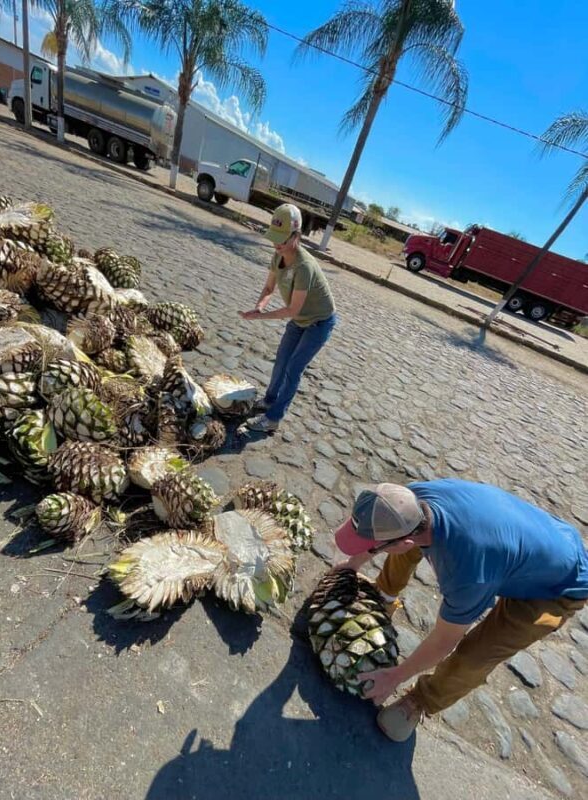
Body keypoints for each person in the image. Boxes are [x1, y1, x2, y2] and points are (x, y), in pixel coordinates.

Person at [334, 479, 588, 742]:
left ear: (406, 541)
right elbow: (389, 539)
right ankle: (384, 596)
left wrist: (394, 676)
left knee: (477, 654)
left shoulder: (466, 572)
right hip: (528, 544)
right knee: (403, 539)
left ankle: (420, 701)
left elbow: (443, 642)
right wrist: (353, 565)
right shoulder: (406, 500)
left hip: (557, 586)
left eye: (370, 546)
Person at [239, 204, 336, 432]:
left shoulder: (304, 266)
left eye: (282, 239)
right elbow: (269, 287)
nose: (277, 244)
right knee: (281, 360)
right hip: (300, 319)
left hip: (319, 323)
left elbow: (292, 310)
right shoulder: (278, 256)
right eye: (275, 238)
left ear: (296, 235)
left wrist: (259, 318)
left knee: (293, 368)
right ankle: (269, 400)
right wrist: (259, 307)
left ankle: (273, 418)